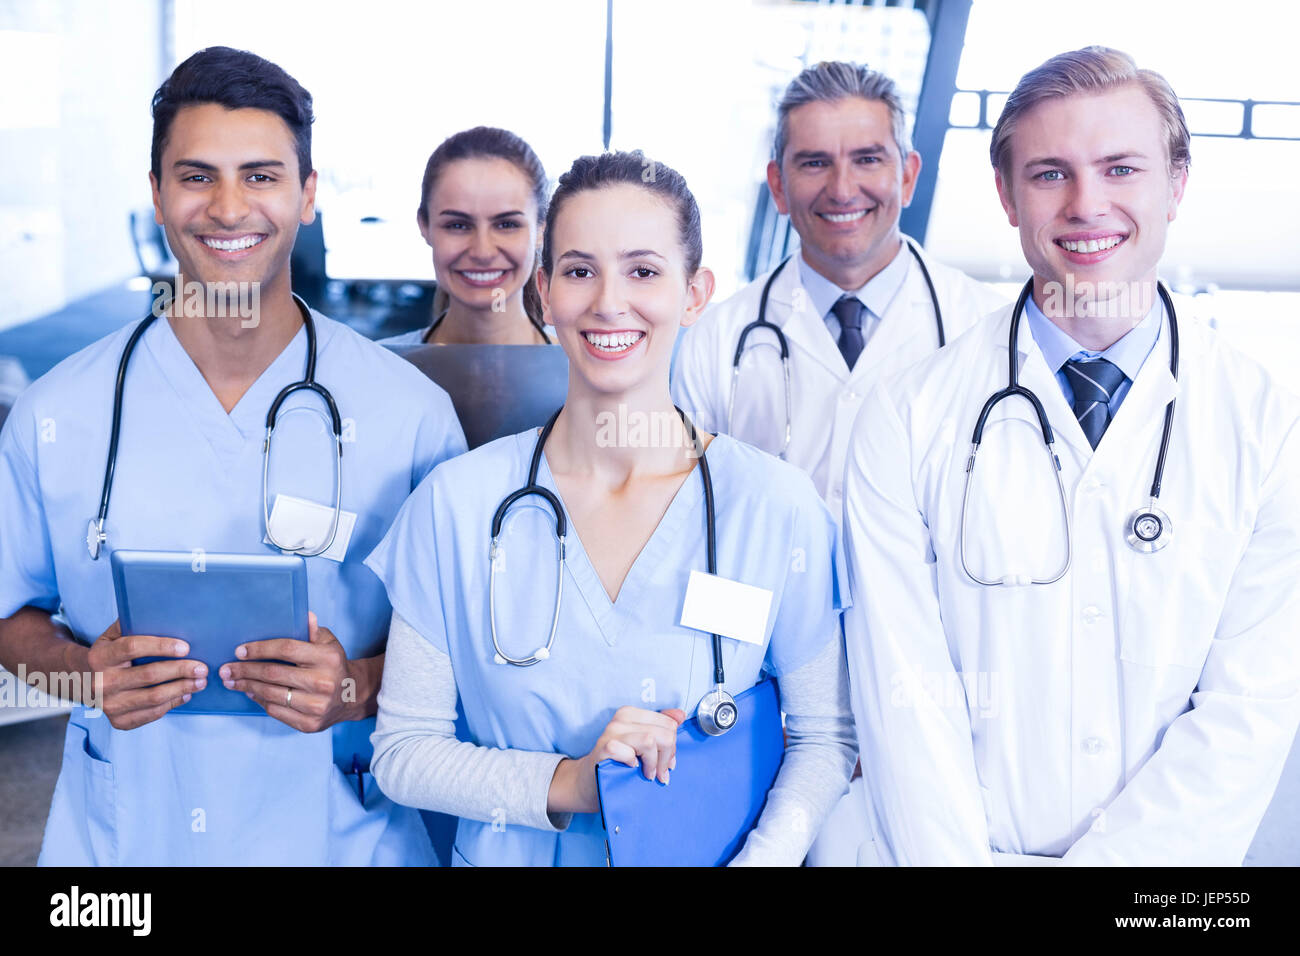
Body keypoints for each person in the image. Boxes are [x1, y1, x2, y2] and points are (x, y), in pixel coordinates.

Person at [0, 47, 467, 865]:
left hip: (340, 837)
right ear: (155, 194)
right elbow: (8, 617)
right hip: (126, 847)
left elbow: (471, 654)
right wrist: (83, 674)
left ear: (308, 194)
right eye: (195, 175)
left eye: (260, 175)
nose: (227, 208)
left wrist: (352, 687)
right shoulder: (58, 413)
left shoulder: (409, 417)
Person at [843, 46, 1300, 865]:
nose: (1088, 205)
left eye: (1121, 168)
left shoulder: (1267, 424)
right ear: (1007, 196)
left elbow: (1248, 708)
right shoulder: (908, 415)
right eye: (1051, 173)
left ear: (1177, 183)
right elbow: (903, 691)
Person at [366, 150, 856, 866]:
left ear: (695, 295)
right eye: (578, 270)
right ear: (543, 292)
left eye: (644, 270)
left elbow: (824, 738)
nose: (608, 302)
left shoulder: (773, 509)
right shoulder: (457, 505)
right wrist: (572, 784)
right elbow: (404, 753)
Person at [672, 60, 1007, 867]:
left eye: (867, 158)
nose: (842, 185)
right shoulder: (716, 341)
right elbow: (689, 542)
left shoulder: (985, 333)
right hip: (765, 716)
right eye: (813, 162)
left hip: (943, 712)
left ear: (908, 172)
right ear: (777, 186)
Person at [380, 126, 551, 346]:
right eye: (458, 225)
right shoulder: (379, 367)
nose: (483, 252)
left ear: (541, 230)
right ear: (424, 225)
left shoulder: (582, 373)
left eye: (507, 224)